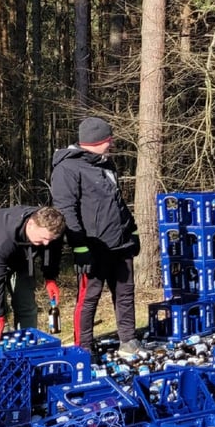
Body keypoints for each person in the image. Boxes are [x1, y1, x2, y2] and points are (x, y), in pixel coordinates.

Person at [51, 116, 141, 356]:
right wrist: (80, 247)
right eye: (109, 140)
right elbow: (66, 211)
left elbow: (118, 202)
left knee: (125, 294)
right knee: (89, 298)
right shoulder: (67, 169)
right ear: (96, 141)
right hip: (92, 247)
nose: (112, 144)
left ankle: (128, 340)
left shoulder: (106, 164)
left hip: (120, 243)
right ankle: (84, 348)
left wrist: (132, 231)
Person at [0, 206, 66, 338]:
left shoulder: (51, 228)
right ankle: (2, 346)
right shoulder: (0, 241)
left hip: (20, 256)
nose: (46, 243)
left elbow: (52, 251)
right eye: (42, 238)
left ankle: (28, 343)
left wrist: (50, 278)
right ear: (30, 224)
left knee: (26, 304)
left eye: (50, 239)